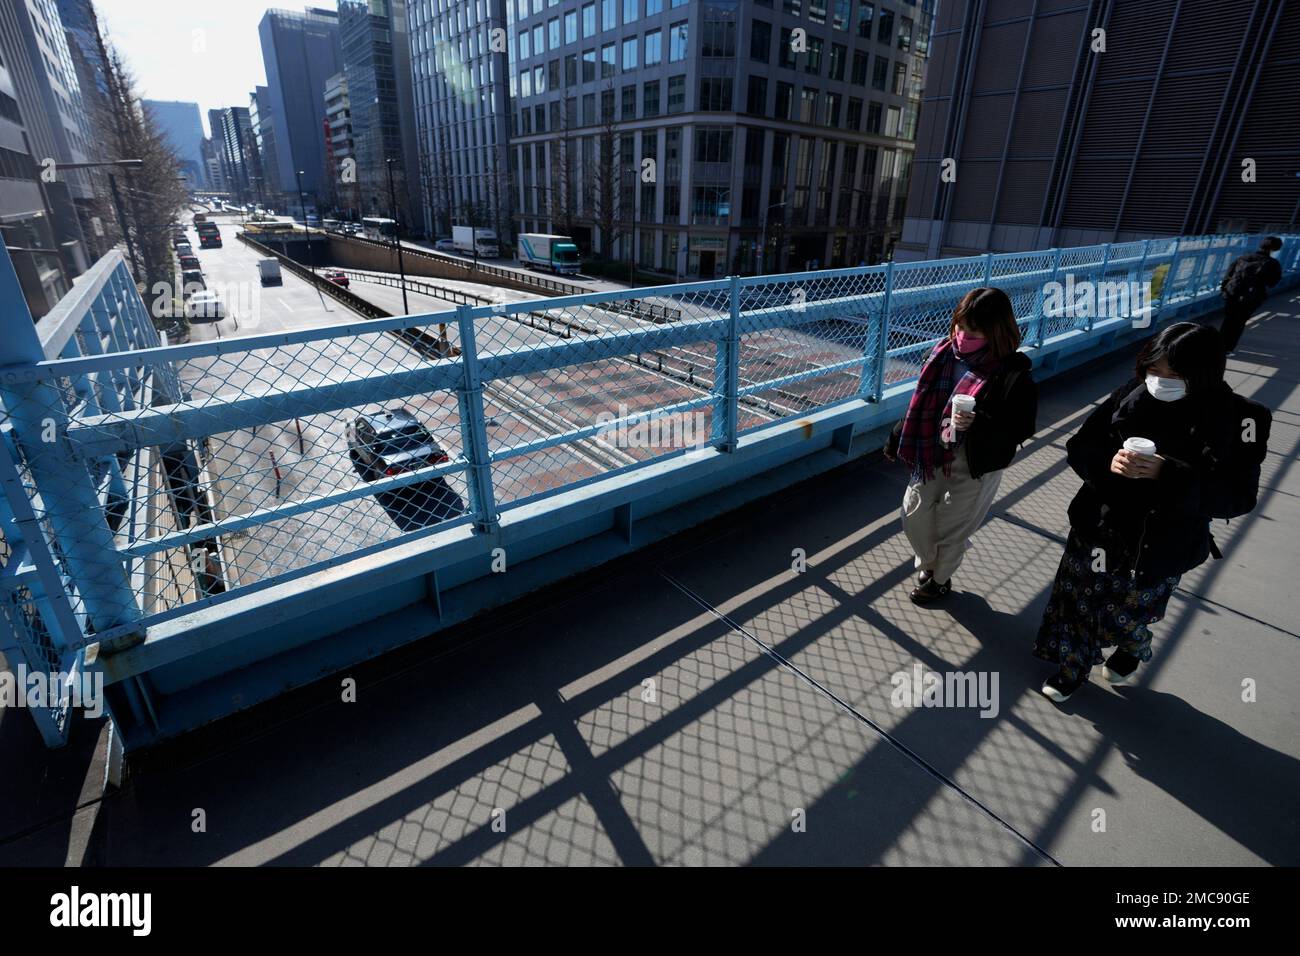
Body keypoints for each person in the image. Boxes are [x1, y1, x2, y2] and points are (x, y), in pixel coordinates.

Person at [1034, 322, 1270, 702]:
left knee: (1130, 611)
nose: (1159, 381)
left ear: (1204, 374)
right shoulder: (1130, 394)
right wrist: (1107, 463)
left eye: (1175, 375)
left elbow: (1237, 497)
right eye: (1153, 370)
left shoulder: (1243, 419)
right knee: (1079, 599)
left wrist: (1169, 473)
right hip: (1100, 527)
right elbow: (1081, 446)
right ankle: (1071, 668)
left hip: (1162, 543)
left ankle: (1133, 644)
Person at [885, 287, 1038, 604]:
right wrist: (898, 434)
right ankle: (933, 562)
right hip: (932, 450)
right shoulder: (942, 353)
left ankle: (939, 579)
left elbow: (1022, 426)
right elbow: (921, 402)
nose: (963, 335)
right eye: (960, 325)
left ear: (995, 331)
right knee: (913, 513)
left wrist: (979, 420)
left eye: (975, 330)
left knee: (952, 527)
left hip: (974, 461)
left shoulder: (1013, 372)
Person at [1219, 236, 1283, 353]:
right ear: (1275, 249)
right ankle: (1227, 349)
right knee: (1239, 323)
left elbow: (1228, 276)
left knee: (1228, 320)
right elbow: (1272, 283)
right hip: (1252, 297)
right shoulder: (1273, 263)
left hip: (1232, 294)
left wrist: (1224, 291)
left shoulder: (1242, 258)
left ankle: (1217, 345)